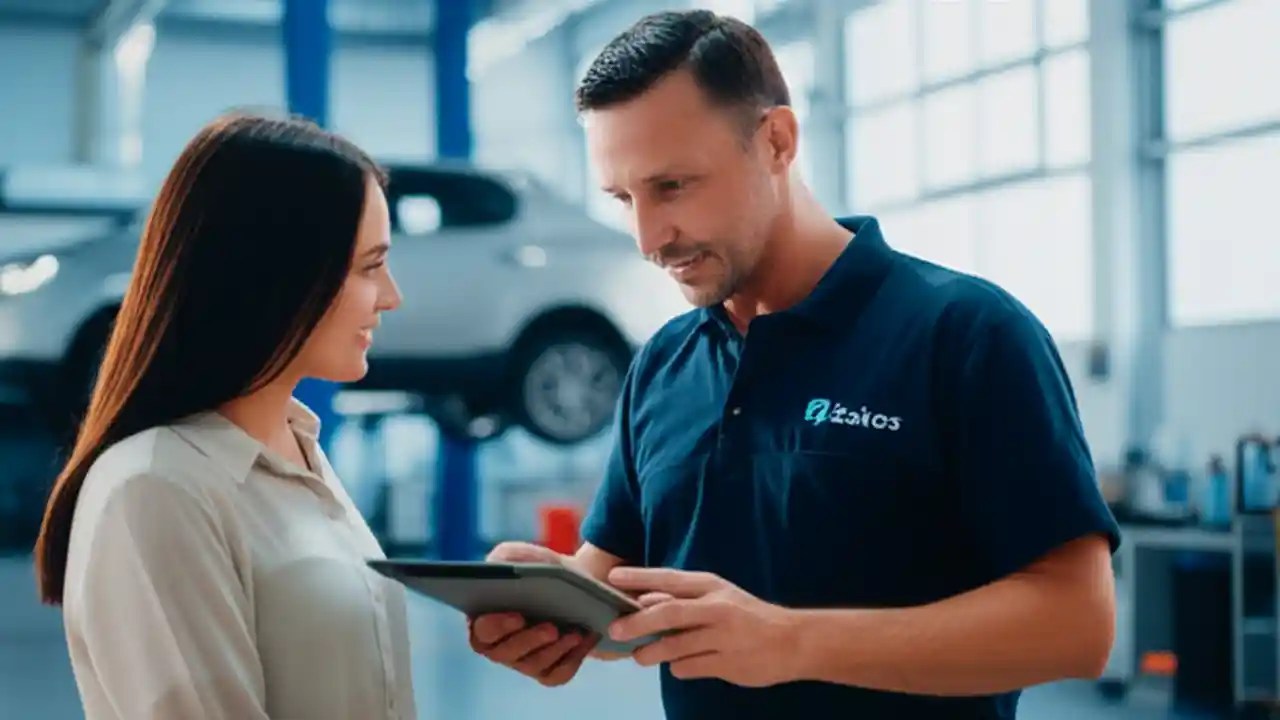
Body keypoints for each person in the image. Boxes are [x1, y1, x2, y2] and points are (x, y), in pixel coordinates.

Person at [468, 10, 1121, 719]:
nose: (649, 238)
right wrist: (557, 603)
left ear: (776, 141)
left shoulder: (966, 335)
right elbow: (616, 582)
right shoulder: (663, 364)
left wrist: (793, 642)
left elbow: (1076, 625)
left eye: (674, 186)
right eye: (624, 199)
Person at [32, 112, 414, 720]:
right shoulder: (155, 488)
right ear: (279, 273)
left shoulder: (296, 449)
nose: (391, 295)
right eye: (370, 266)